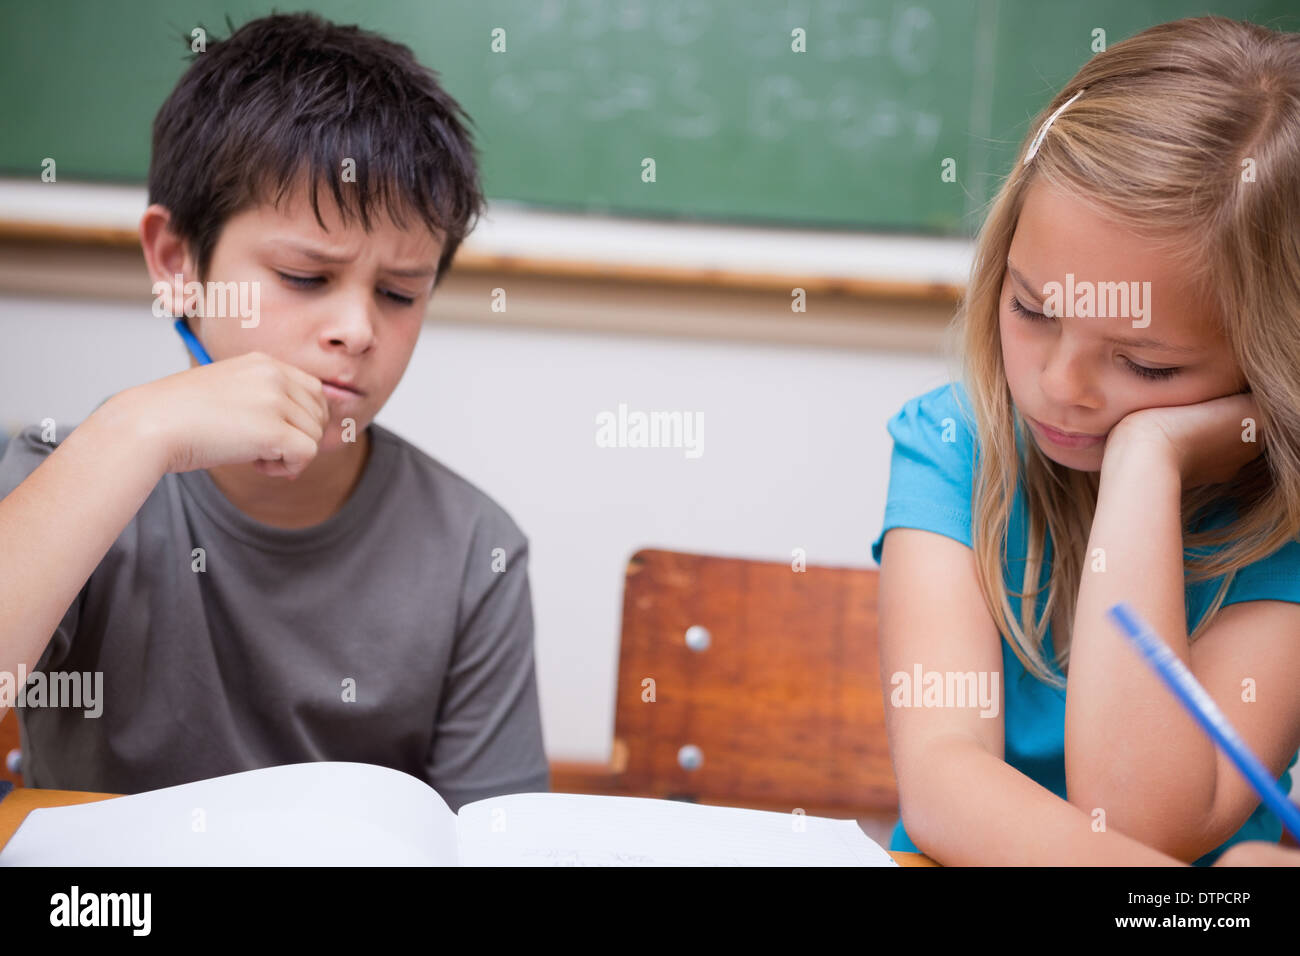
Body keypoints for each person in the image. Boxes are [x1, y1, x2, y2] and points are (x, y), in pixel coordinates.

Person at [0, 12, 549, 811]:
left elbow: (501, 845)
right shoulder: (64, 476)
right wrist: (135, 428)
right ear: (176, 262)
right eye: (304, 276)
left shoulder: (474, 551)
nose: (357, 331)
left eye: (400, 293)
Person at [873, 15, 1300, 865]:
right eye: (1032, 310)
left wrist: (1147, 466)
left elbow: (1143, 814)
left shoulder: (1284, 525)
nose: (1059, 386)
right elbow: (945, 786)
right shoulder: (953, 444)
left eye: (1144, 365)